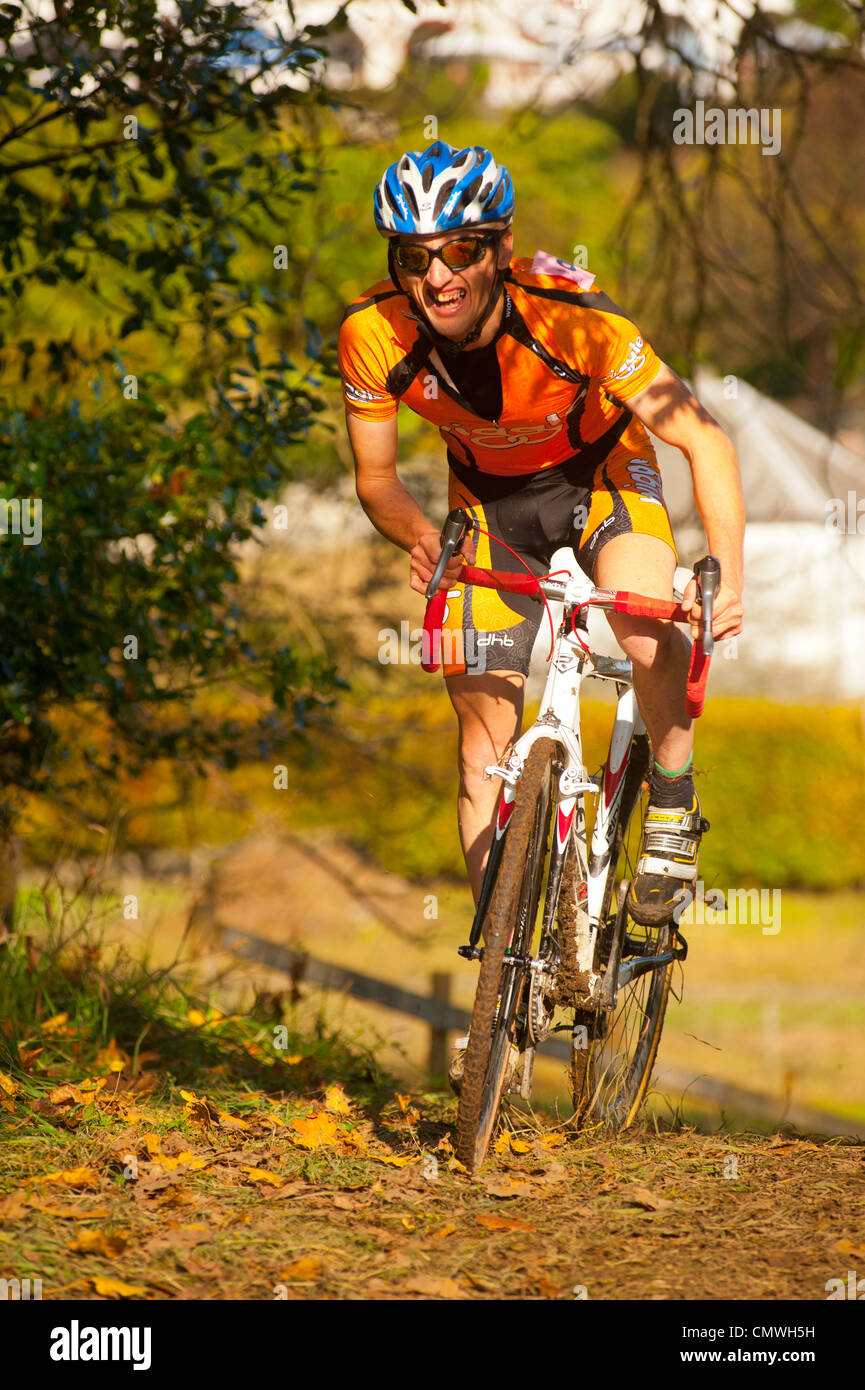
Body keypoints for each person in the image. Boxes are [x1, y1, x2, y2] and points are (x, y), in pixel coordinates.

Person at [338, 140, 745, 944]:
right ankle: (500, 984)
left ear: (500, 250)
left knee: (638, 621)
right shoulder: (371, 334)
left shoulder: (576, 324)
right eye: (412, 258)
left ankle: (670, 800)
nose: (436, 277)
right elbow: (376, 481)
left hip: (601, 479)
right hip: (486, 508)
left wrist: (726, 576)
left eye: (459, 251)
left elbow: (705, 441)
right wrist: (418, 534)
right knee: (478, 756)